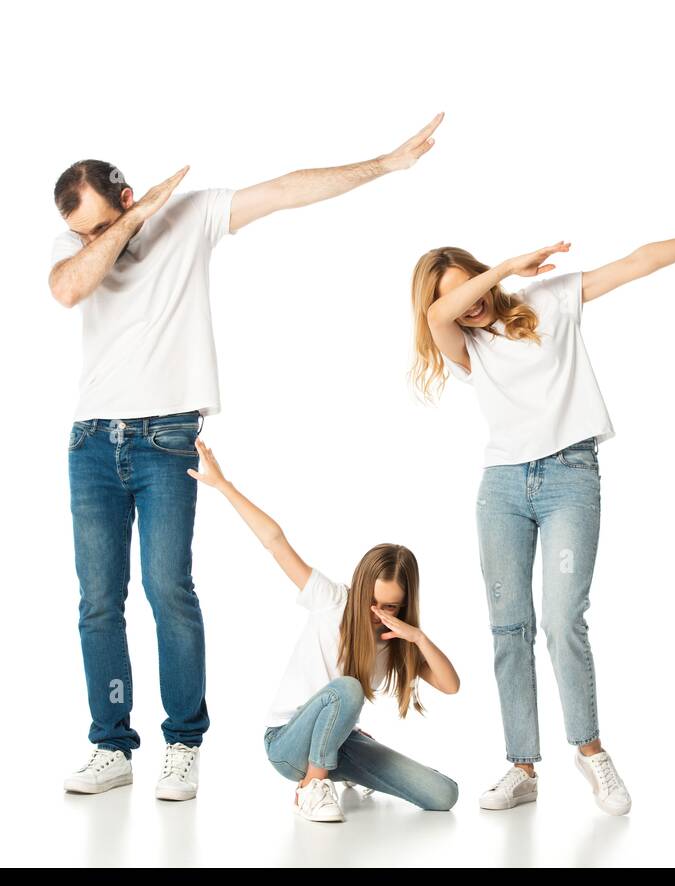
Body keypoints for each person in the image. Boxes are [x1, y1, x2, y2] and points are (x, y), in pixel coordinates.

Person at [55, 114, 446, 801]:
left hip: (167, 437)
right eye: (81, 232)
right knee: (97, 601)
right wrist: (122, 223)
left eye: (97, 223)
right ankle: (110, 743)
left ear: (123, 196)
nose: (90, 241)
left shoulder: (192, 217)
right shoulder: (84, 247)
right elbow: (66, 288)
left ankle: (182, 744)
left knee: (168, 590)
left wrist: (383, 165)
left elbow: (288, 189)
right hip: (92, 442)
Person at [408, 194, 675, 815]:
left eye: (470, 287)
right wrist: (501, 268)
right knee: (508, 629)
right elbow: (438, 311)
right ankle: (521, 767)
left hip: (570, 476)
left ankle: (592, 752)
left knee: (560, 621)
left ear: (479, 276)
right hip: (501, 488)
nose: (469, 305)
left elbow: (639, 262)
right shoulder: (462, 343)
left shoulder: (548, 302)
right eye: (457, 297)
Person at [189, 440, 461, 822]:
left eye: (390, 606)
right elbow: (274, 541)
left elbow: (451, 685)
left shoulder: (396, 639)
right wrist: (224, 484)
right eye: (372, 600)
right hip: (287, 743)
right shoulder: (332, 600)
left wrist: (416, 637)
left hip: (342, 741)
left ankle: (340, 763)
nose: (376, 613)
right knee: (347, 687)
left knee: (444, 794)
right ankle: (312, 787)